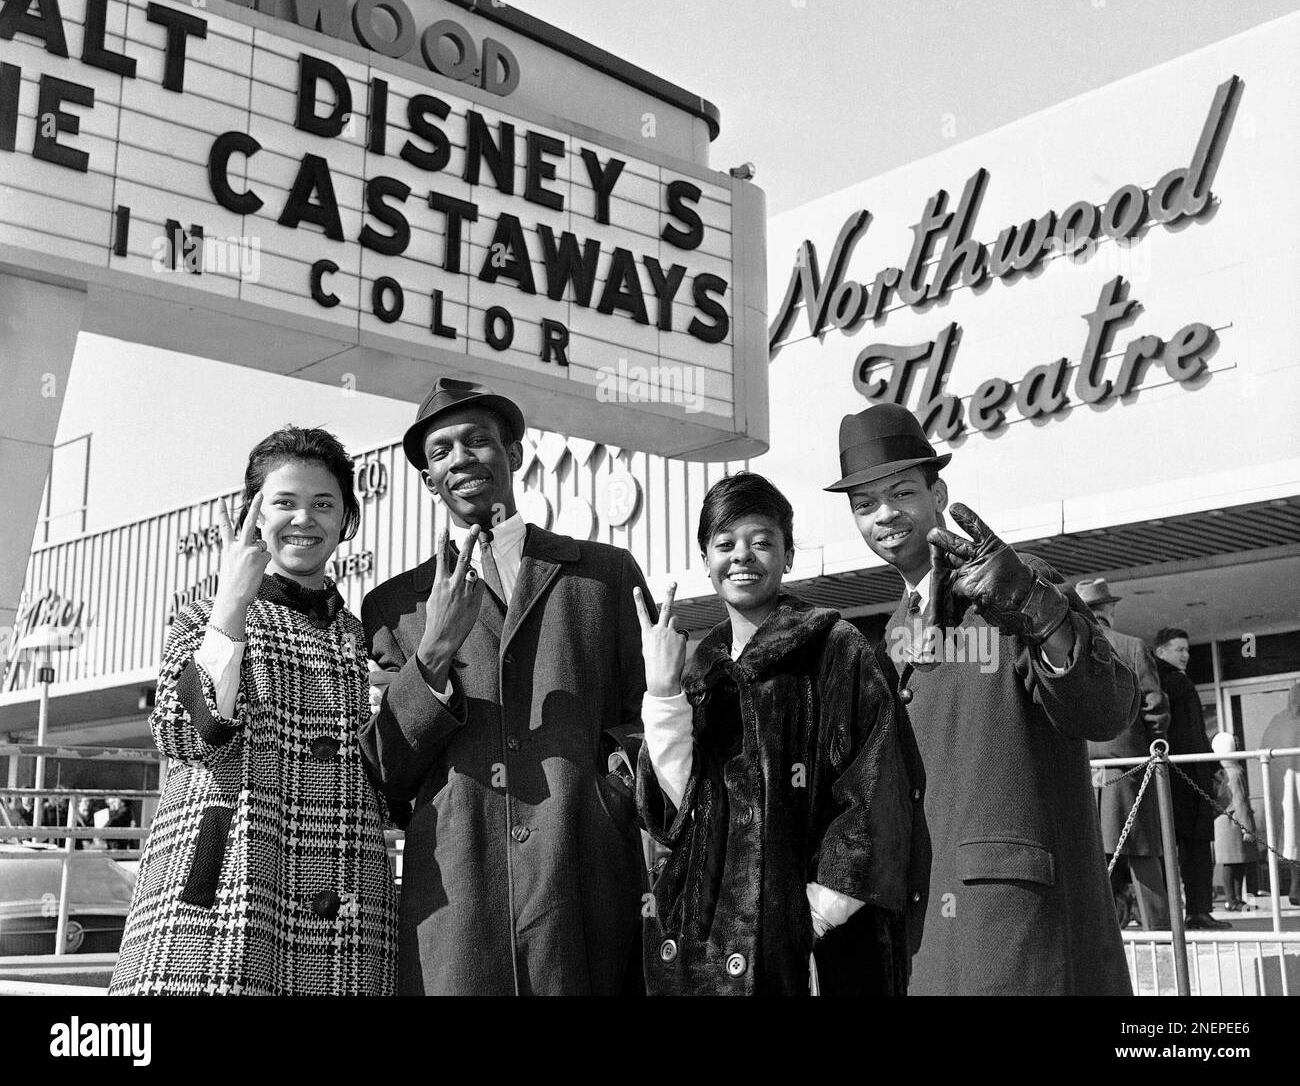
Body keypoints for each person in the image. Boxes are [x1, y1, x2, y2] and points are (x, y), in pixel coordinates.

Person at [826, 402, 1138, 995]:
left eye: (901, 493)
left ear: (939, 493)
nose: (884, 515)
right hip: (929, 933)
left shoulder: (1017, 581)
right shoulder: (894, 628)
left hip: (1018, 933)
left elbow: (1105, 711)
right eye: (864, 506)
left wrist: (1040, 613)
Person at [359, 377, 651, 995]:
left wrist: (608, 798)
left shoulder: (605, 575)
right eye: (440, 453)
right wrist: (433, 653)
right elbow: (386, 772)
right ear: (429, 481)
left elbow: (642, 715)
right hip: (458, 905)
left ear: (514, 454)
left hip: (583, 887)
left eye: (478, 441)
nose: (461, 459)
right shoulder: (393, 607)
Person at [111, 427, 397, 995]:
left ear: (346, 520)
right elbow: (180, 735)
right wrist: (232, 606)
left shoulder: (367, 641)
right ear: (254, 516)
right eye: (284, 502)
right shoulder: (206, 618)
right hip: (224, 896)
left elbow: (391, 787)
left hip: (346, 905)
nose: (304, 519)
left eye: (324, 504)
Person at [636, 472, 923, 995]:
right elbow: (677, 811)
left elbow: (873, 790)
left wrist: (816, 915)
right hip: (707, 954)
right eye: (725, 544)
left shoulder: (836, 647)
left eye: (762, 542)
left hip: (814, 953)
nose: (742, 556)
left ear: (789, 555)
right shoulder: (700, 671)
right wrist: (662, 694)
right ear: (705, 560)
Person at [1077, 578, 1171, 930]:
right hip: (1130, 762)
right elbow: (1154, 705)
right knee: (1142, 850)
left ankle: (1101, 929)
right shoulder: (1132, 646)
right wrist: (1155, 745)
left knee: (1092, 851)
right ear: (1109, 611)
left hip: (1082, 765)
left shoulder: (1065, 649)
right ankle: (1158, 929)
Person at [1152, 627, 1228, 930]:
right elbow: (1193, 735)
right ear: (1160, 651)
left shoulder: (1152, 680)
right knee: (1194, 849)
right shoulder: (1178, 683)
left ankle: (1174, 912)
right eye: (1178, 649)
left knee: (1169, 849)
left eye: (1186, 649)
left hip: (1168, 777)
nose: (1185, 655)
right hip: (1186, 778)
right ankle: (1197, 910)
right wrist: (1212, 769)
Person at [1258, 682, 1300, 904]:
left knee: (1293, 840)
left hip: (1284, 792)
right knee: (1293, 839)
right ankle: (1294, 889)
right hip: (1288, 792)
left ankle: (1294, 888)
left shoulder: (1278, 721)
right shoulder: (1280, 721)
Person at [1211, 732, 1257, 911]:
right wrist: (1248, 828)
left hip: (1222, 822)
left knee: (1231, 863)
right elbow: (1240, 800)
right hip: (1235, 822)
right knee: (1237, 863)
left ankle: (1233, 899)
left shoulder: (1218, 770)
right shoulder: (1235, 771)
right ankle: (1234, 899)